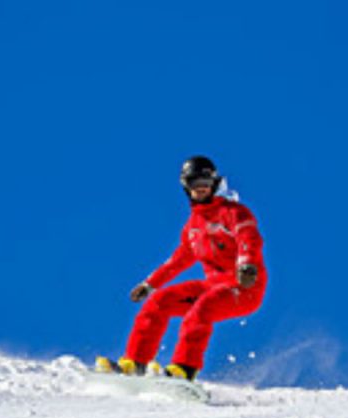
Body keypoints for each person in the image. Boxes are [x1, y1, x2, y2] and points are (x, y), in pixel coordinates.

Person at [97, 156, 267, 381]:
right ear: (186, 186)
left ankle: (184, 369)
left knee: (203, 307)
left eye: (206, 181)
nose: (201, 187)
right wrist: (150, 284)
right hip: (213, 285)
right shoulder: (193, 227)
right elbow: (177, 261)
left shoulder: (233, 212)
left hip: (244, 286)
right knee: (160, 302)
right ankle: (134, 363)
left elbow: (249, 238)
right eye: (194, 183)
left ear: (215, 182)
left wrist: (247, 264)